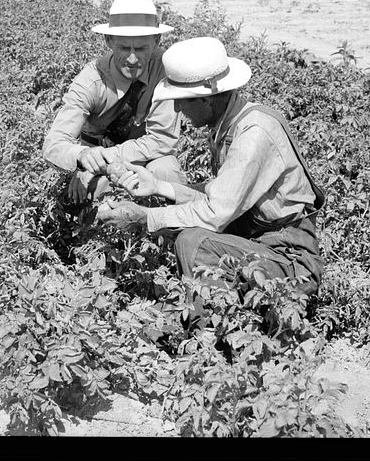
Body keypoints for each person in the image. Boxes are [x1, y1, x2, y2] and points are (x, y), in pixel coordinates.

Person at [97, 36, 326, 297]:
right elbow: (223, 197)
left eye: (183, 99)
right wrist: (158, 186)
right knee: (187, 226)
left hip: (290, 262)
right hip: (260, 244)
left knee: (192, 240)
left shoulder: (253, 134)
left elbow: (216, 212)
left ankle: (204, 327)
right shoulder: (227, 125)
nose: (177, 108)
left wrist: (145, 217)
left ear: (206, 100)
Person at [42, 0, 186, 209]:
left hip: (148, 155)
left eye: (141, 48)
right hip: (97, 159)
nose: (132, 58)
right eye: (123, 48)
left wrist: (105, 158)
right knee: (86, 194)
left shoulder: (165, 70)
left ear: (157, 40)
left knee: (166, 170)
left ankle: (172, 235)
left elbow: (162, 140)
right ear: (108, 40)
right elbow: (54, 145)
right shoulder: (91, 80)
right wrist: (83, 158)